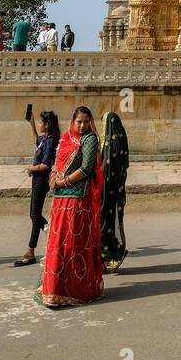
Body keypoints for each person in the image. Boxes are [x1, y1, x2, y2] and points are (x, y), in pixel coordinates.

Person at [41, 106, 104, 307]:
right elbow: (57, 163)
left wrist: (63, 181)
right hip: (60, 199)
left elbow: (86, 168)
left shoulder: (90, 140)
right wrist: (53, 176)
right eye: (79, 122)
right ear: (73, 121)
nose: (83, 125)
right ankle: (55, 289)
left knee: (73, 243)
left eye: (86, 121)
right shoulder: (67, 138)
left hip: (78, 199)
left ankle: (75, 288)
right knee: (57, 241)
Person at [14, 110, 60, 268]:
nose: (40, 124)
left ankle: (34, 247)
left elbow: (46, 164)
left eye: (41, 122)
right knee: (34, 215)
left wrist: (31, 168)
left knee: (34, 214)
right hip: (37, 179)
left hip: (41, 179)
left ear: (47, 125)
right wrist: (32, 123)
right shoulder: (45, 139)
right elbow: (36, 141)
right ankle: (36, 245)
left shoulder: (50, 141)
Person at [100, 111, 129, 274]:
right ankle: (109, 258)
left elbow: (105, 169)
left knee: (103, 227)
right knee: (109, 226)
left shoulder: (109, 147)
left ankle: (106, 260)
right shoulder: (118, 142)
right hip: (114, 195)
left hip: (105, 195)